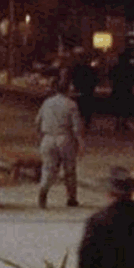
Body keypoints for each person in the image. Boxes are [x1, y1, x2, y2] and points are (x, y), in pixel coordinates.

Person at [36, 75, 84, 208]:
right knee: (69, 169)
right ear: (68, 89)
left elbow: (37, 121)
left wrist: (41, 136)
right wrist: (80, 143)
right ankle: (71, 197)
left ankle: (44, 188)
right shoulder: (71, 104)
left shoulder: (47, 102)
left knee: (48, 167)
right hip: (65, 138)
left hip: (48, 137)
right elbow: (76, 127)